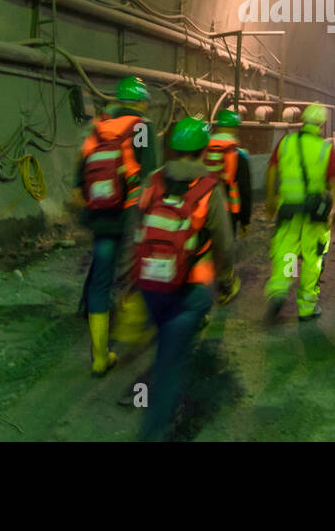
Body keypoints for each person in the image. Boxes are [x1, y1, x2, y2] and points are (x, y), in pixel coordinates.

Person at [132, 116, 239, 441]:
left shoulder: (152, 181)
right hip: (191, 290)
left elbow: (136, 228)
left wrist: (129, 279)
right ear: (203, 150)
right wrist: (226, 279)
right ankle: (155, 431)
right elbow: (224, 244)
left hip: (151, 284)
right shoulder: (208, 187)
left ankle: (155, 400)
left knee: (166, 344)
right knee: (171, 361)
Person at [74, 76, 156, 376]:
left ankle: (99, 356)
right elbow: (149, 177)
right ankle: (133, 330)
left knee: (100, 280)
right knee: (134, 270)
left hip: (100, 214)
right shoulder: (142, 128)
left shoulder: (95, 129)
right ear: (141, 101)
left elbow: (78, 181)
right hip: (131, 212)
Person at [263, 102, 335, 323]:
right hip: (314, 215)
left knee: (287, 252)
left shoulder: (286, 142)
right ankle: (307, 307)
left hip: (288, 210)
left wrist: (271, 200)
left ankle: (280, 288)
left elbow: (271, 170)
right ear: (322, 124)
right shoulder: (325, 149)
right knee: (312, 257)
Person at [203, 108, 253, 242]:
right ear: (235, 128)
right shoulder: (238, 154)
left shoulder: (203, 147)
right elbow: (244, 189)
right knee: (224, 249)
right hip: (228, 211)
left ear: (218, 127)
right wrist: (245, 220)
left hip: (202, 207)